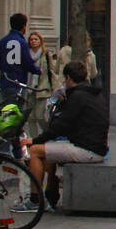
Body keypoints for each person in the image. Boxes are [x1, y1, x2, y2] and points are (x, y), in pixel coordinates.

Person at [26, 60, 107, 206]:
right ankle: (51, 192)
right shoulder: (93, 94)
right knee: (50, 149)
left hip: (86, 149)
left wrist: (35, 140)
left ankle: (34, 201)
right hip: (96, 146)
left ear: (68, 78)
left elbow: (59, 126)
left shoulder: (77, 96)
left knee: (34, 151)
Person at [0, 13, 40, 93]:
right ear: (23, 27)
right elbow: (28, 64)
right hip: (18, 84)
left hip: (5, 84)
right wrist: (38, 70)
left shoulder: (1, 42)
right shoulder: (22, 43)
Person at [25, 31, 58, 143]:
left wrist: (55, 87)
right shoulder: (26, 54)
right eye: (31, 39)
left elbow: (52, 71)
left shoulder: (46, 54)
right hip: (29, 89)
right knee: (30, 118)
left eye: (36, 39)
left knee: (40, 116)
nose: (33, 41)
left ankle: (48, 134)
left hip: (43, 89)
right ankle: (34, 140)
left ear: (40, 41)